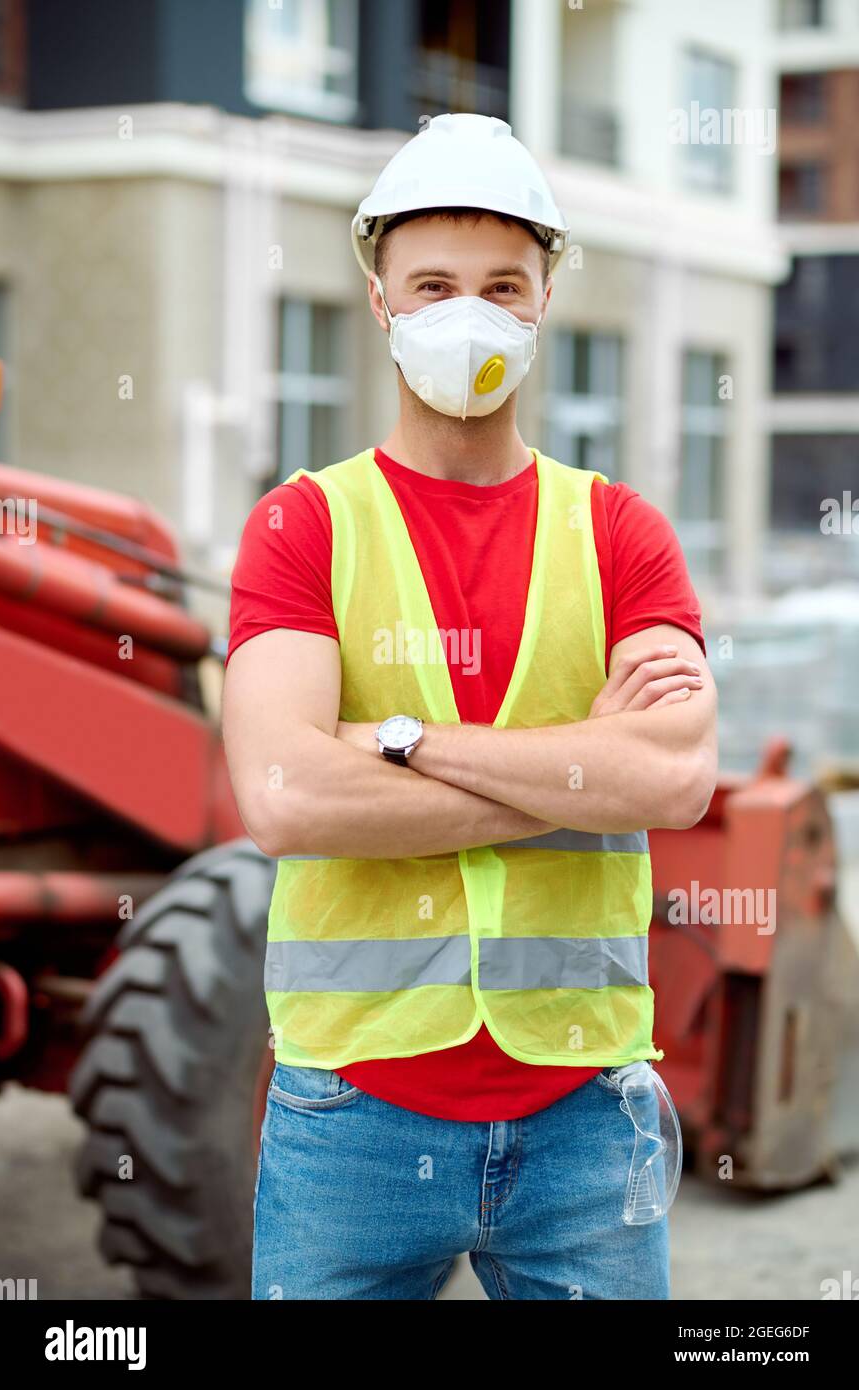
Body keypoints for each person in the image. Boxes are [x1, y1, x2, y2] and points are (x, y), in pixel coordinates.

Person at [223, 112, 718, 1301]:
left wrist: (397, 744)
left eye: (503, 284)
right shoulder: (306, 525)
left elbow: (677, 779)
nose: (470, 314)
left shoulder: (620, 531)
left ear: (545, 297)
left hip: (585, 1118)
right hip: (353, 1114)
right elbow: (286, 799)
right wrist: (578, 765)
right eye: (434, 283)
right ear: (382, 301)